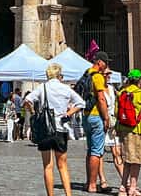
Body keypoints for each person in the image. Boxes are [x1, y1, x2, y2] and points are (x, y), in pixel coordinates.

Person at [24, 62, 86, 196]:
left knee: (48, 166)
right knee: (62, 165)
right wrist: (69, 113)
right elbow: (81, 103)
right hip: (61, 128)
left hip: (45, 129)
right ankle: (68, 194)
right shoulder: (65, 88)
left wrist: (33, 112)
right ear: (59, 75)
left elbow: (27, 100)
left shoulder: (42, 87)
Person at [116, 68, 141, 196]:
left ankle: (122, 187)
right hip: (138, 130)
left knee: (127, 159)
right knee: (136, 160)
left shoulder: (121, 93)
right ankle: (132, 188)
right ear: (140, 80)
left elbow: (116, 112)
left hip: (124, 130)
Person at [83, 51, 113, 193]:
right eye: (106, 63)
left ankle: (88, 181)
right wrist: (106, 117)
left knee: (90, 150)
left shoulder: (86, 74)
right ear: (100, 62)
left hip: (86, 116)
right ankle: (93, 185)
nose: (106, 66)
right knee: (96, 152)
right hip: (96, 116)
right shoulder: (98, 77)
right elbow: (101, 98)